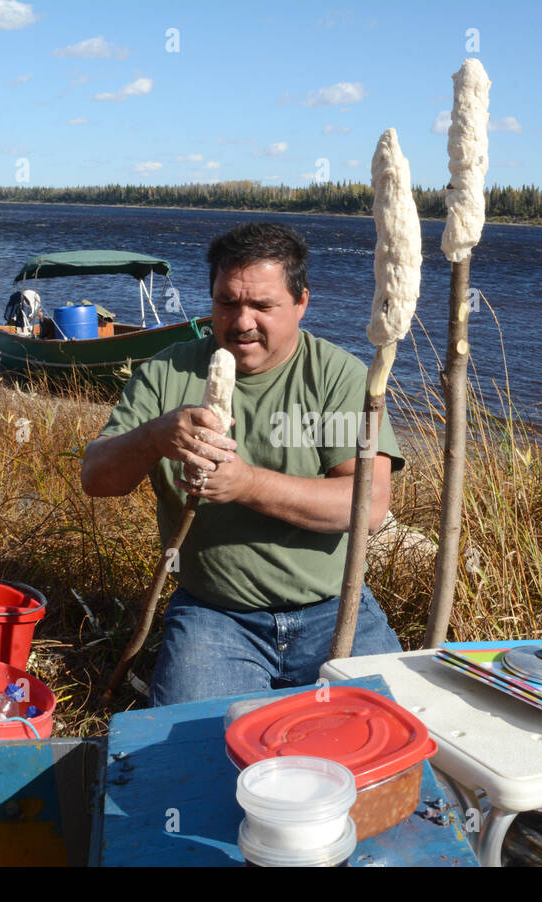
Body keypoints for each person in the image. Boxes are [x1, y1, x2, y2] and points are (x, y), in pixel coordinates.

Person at [81, 222, 406, 706]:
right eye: (227, 303)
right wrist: (153, 437)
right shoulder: (166, 374)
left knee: (393, 734)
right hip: (216, 615)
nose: (242, 321)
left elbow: (367, 505)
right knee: (196, 748)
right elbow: (96, 478)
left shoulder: (336, 377)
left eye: (262, 305)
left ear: (301, 303)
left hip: (334, 611)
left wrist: (246, 484)